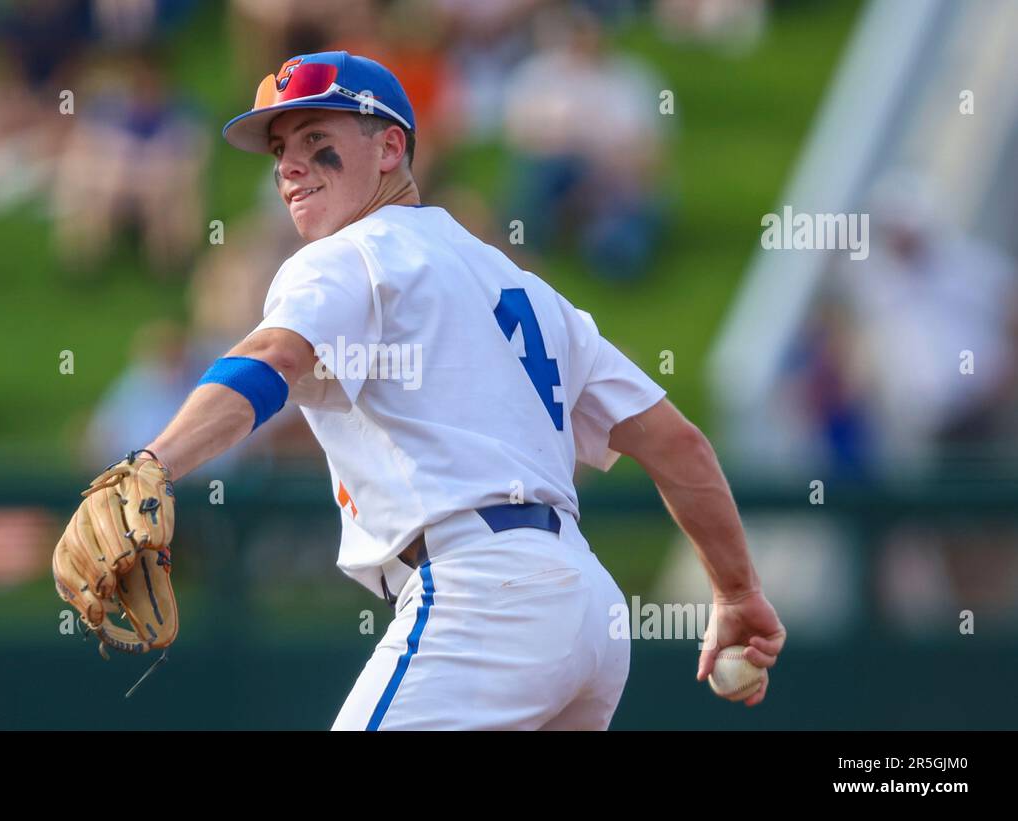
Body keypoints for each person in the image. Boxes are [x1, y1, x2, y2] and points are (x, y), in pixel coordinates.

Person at [105, 51, 785, 729]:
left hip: (482, 594)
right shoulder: (530, 292)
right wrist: (736, 589)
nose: (289, 166)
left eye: (318, 142)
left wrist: (154, 464)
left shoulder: (350, 254)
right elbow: (677, 443)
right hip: (586, 608)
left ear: (390, 146)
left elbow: (272, 356)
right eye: (281, 150)